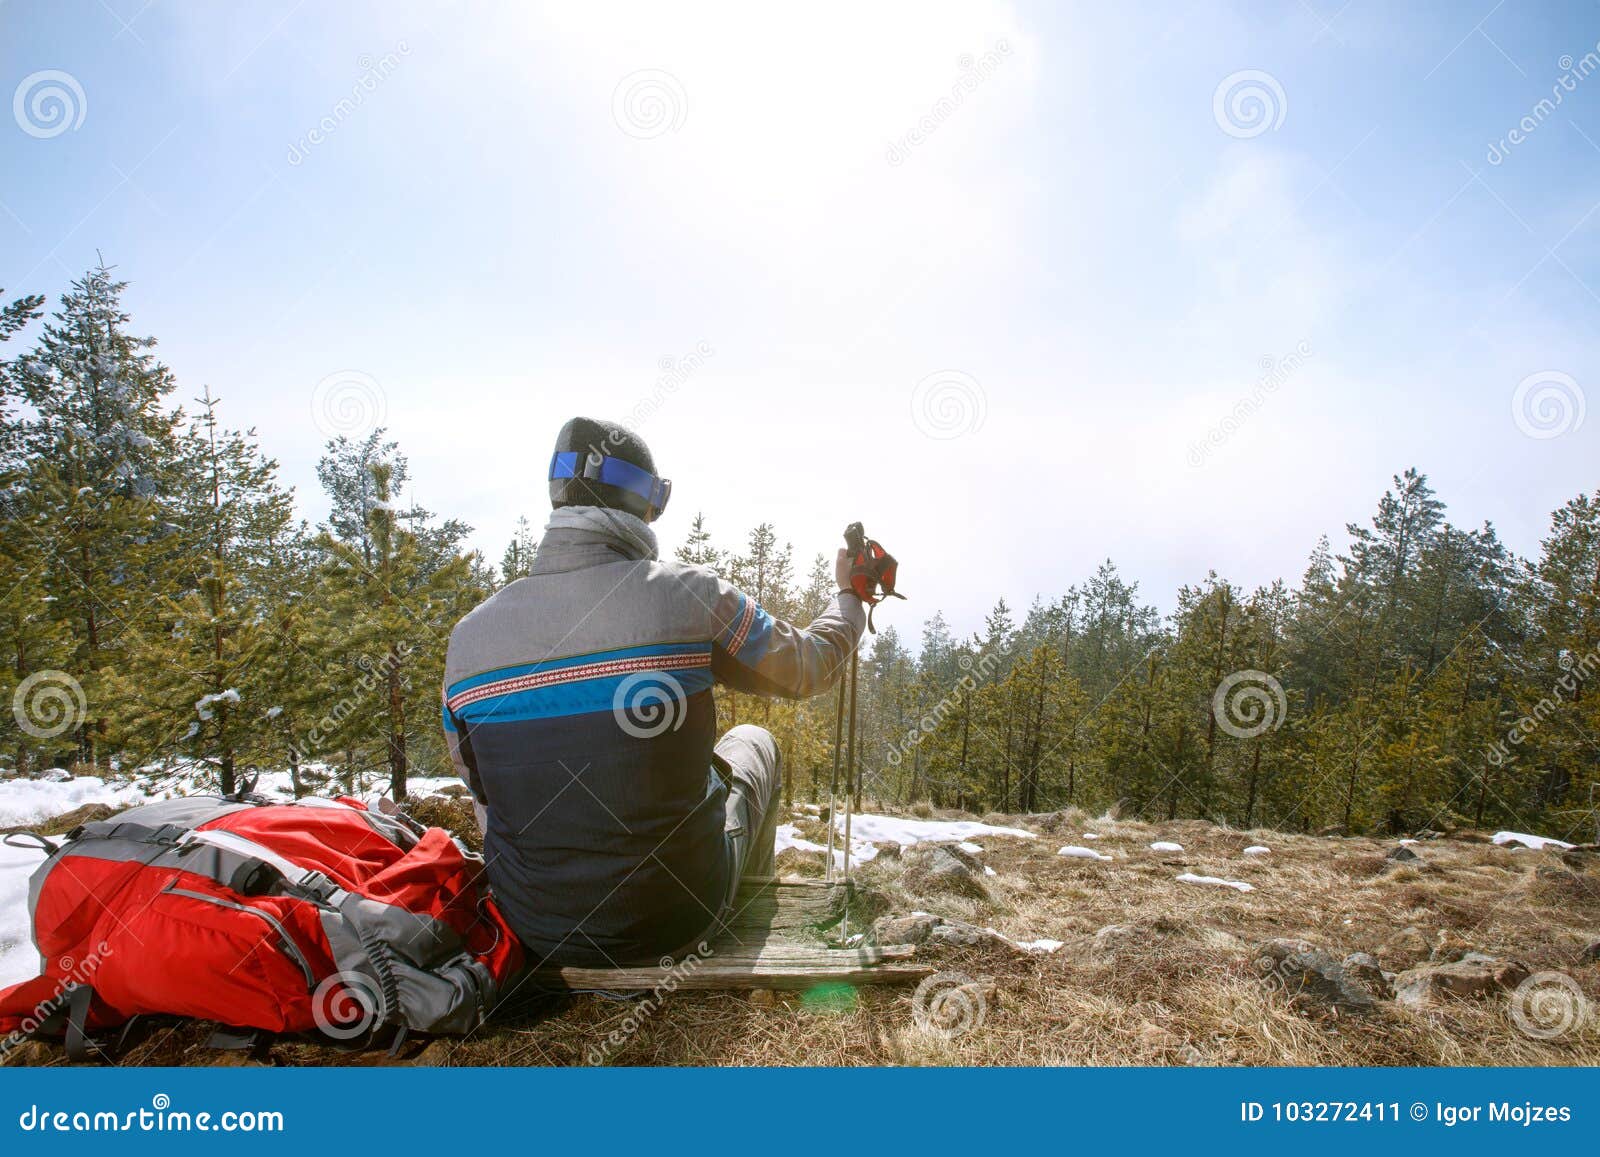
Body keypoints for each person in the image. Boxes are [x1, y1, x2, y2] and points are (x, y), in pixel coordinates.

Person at [443, 417, 865, 968]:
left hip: (536, 926)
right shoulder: (690, 597)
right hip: (675, 921)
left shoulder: (468, 639)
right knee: (755, 742)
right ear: (646, 503)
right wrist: (848, 597)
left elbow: (482, 791)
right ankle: (744, 908)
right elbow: (809, 668)